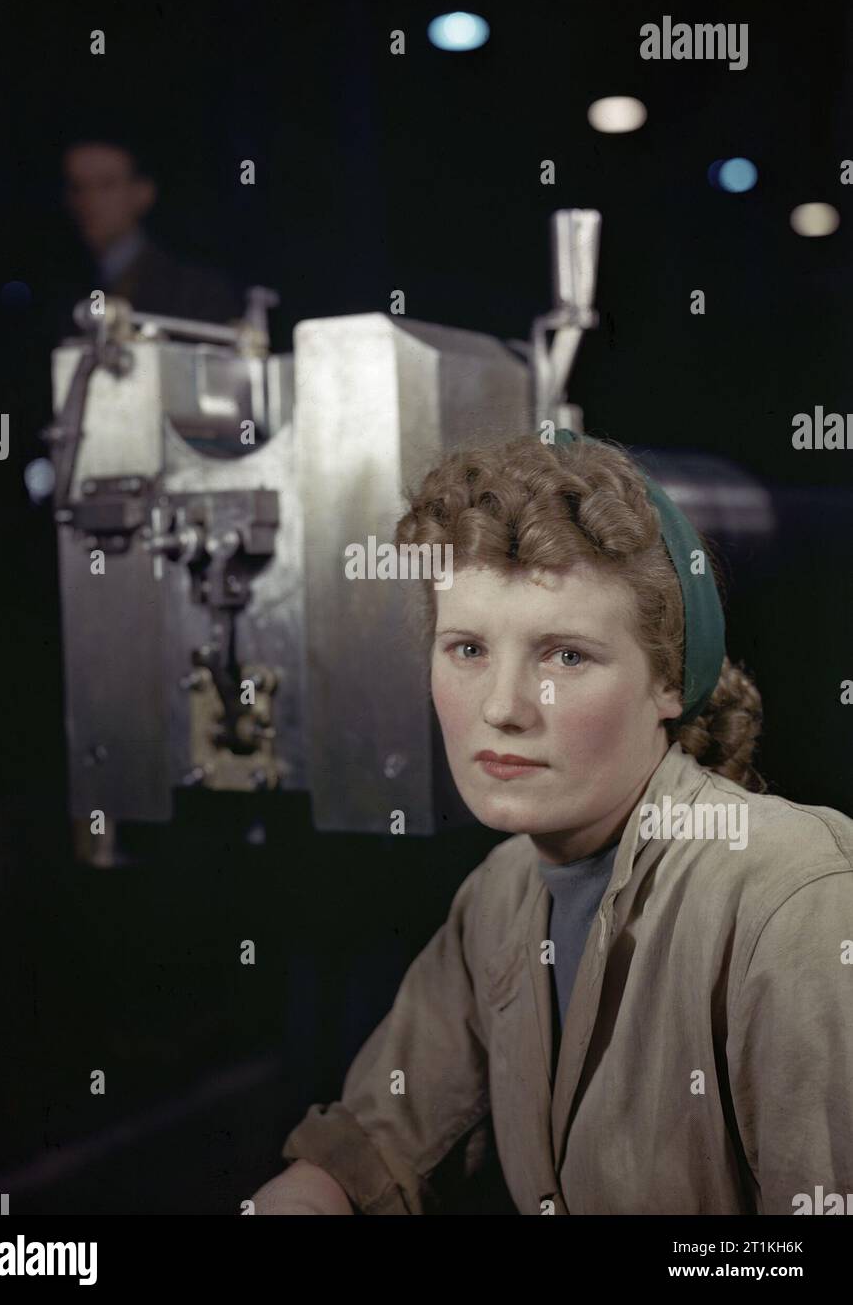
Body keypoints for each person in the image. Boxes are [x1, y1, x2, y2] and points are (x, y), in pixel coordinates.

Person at [252, 429, 853, 1215]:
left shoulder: (793, 895)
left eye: (564, 656)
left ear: (666, 683)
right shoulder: (501, 897)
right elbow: (370, 1148)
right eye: (466, 648)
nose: (501, 708)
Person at [59, 135, 242, 327]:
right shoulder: (62, 286)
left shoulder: (196, 291)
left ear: (142, 192)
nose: (89, 201)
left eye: (106, 185)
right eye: (77, 187)